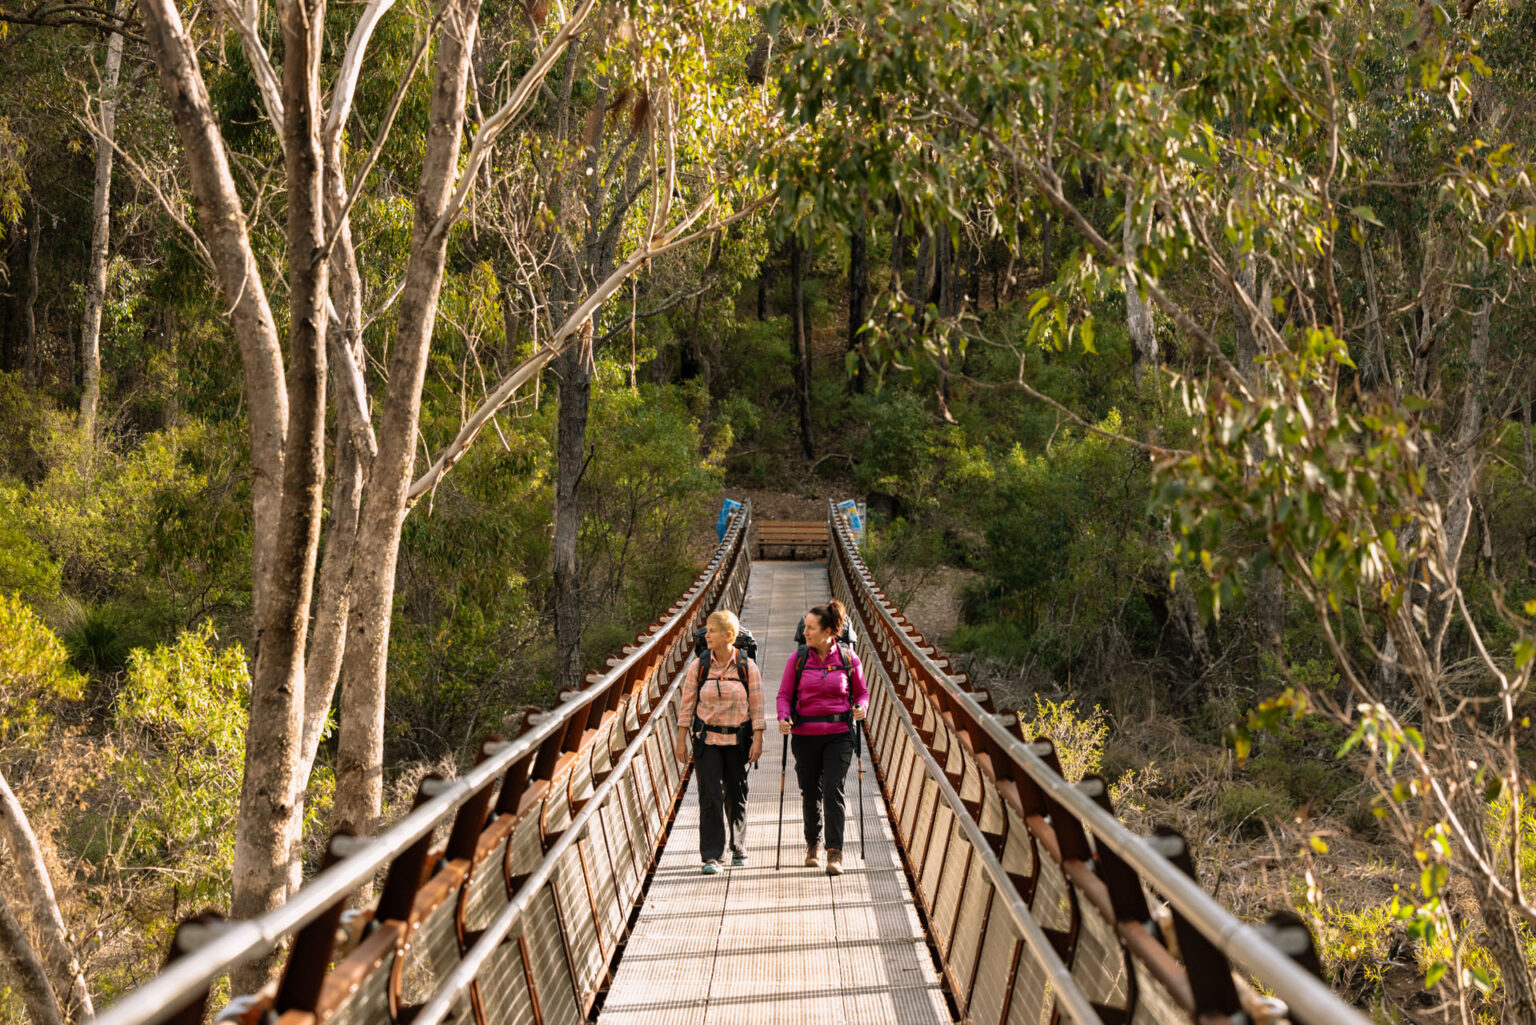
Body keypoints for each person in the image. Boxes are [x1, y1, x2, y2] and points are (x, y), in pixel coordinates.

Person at [777, 599, 868, 875]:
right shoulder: (798, 659)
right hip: (805, 734)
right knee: (810, 791)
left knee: (833, 788)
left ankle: (835, 853)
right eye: (804, 627)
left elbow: (862, 692)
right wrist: (783, 717)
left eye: (811, 628)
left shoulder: (848, 658)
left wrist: (861, 708)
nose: (805, 633)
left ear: (829, 631)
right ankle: (812, 845)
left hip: (839, 734)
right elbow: (784, 695)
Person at [675, 609, 765, 874]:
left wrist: (757, 740)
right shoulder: (699, 666)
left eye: (712, 631)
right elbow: (687, 705)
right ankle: (712, 856)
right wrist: (682, 740)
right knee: (710, 795)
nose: (707, 635)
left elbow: (758, 707)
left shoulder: (747, 667)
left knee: (736, 794)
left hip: (737, 740)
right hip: (707, 739)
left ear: (729, 635)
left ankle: (738, 846)